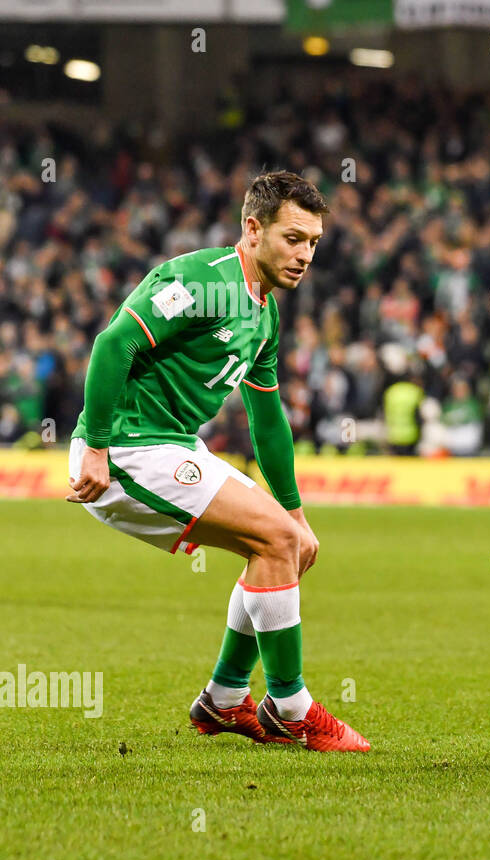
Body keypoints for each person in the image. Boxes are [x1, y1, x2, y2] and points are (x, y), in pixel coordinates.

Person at [65, 170, 369, 752]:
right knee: (276, 542)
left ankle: (224, 700)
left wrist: (295, 510)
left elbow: (267, 419)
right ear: (252, 230)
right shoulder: (200, 280)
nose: (305, 255)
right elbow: (113, 344)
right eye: (293, 238)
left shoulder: (266, 312)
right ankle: (290, 706)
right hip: (126, 448)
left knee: (291, 543)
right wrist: (99, 446)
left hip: (171, 444)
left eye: (313, 243)